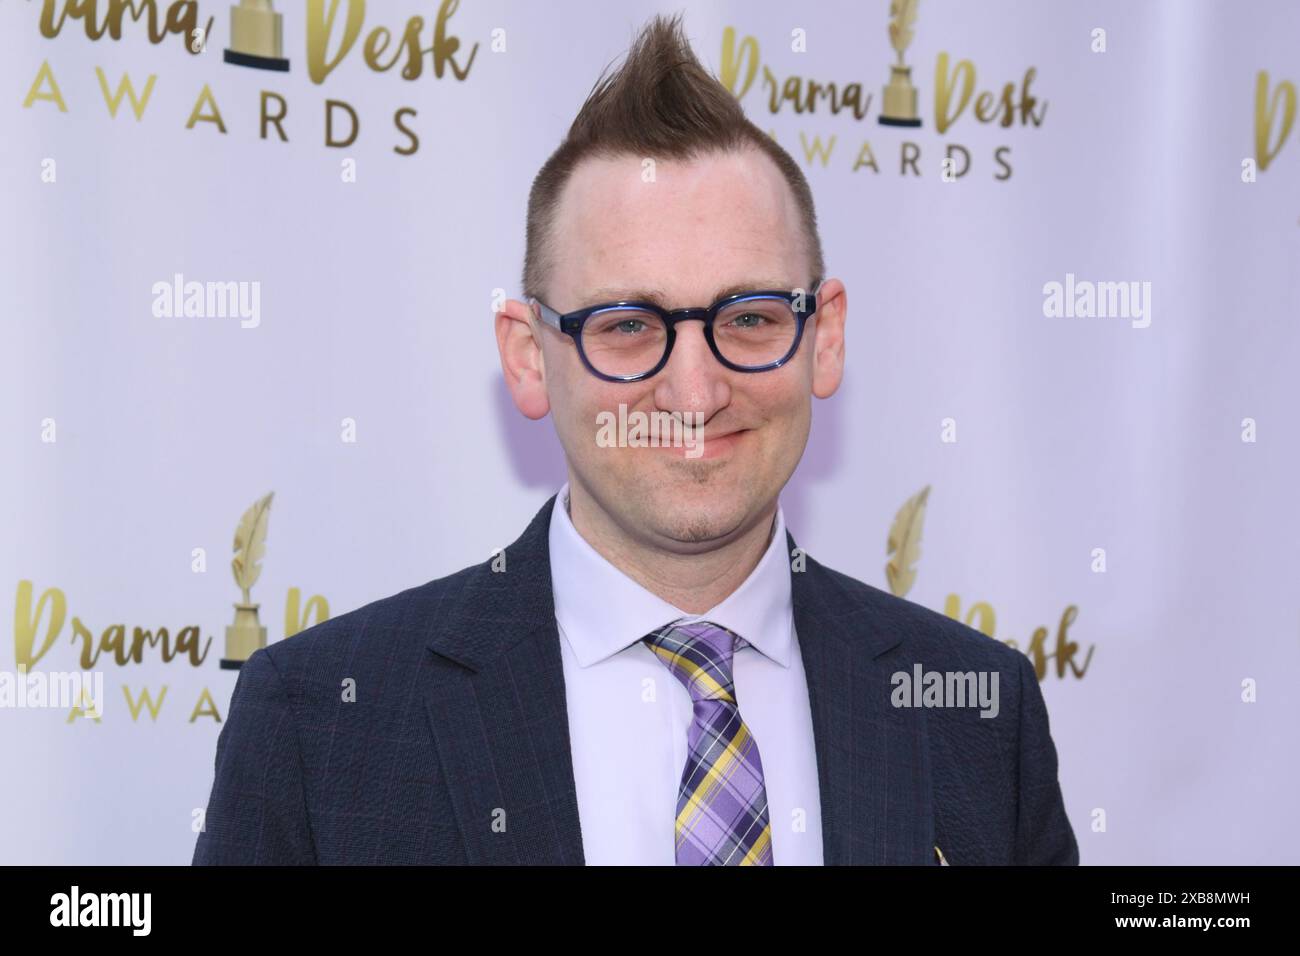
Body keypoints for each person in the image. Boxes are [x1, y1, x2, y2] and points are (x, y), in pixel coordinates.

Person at [193, 12, 1078, 866]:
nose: (695, 389)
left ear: (826, 335)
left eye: (751, 316)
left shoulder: (976, 712)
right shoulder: (320, 724)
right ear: (530, 358)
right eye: (626, 324)